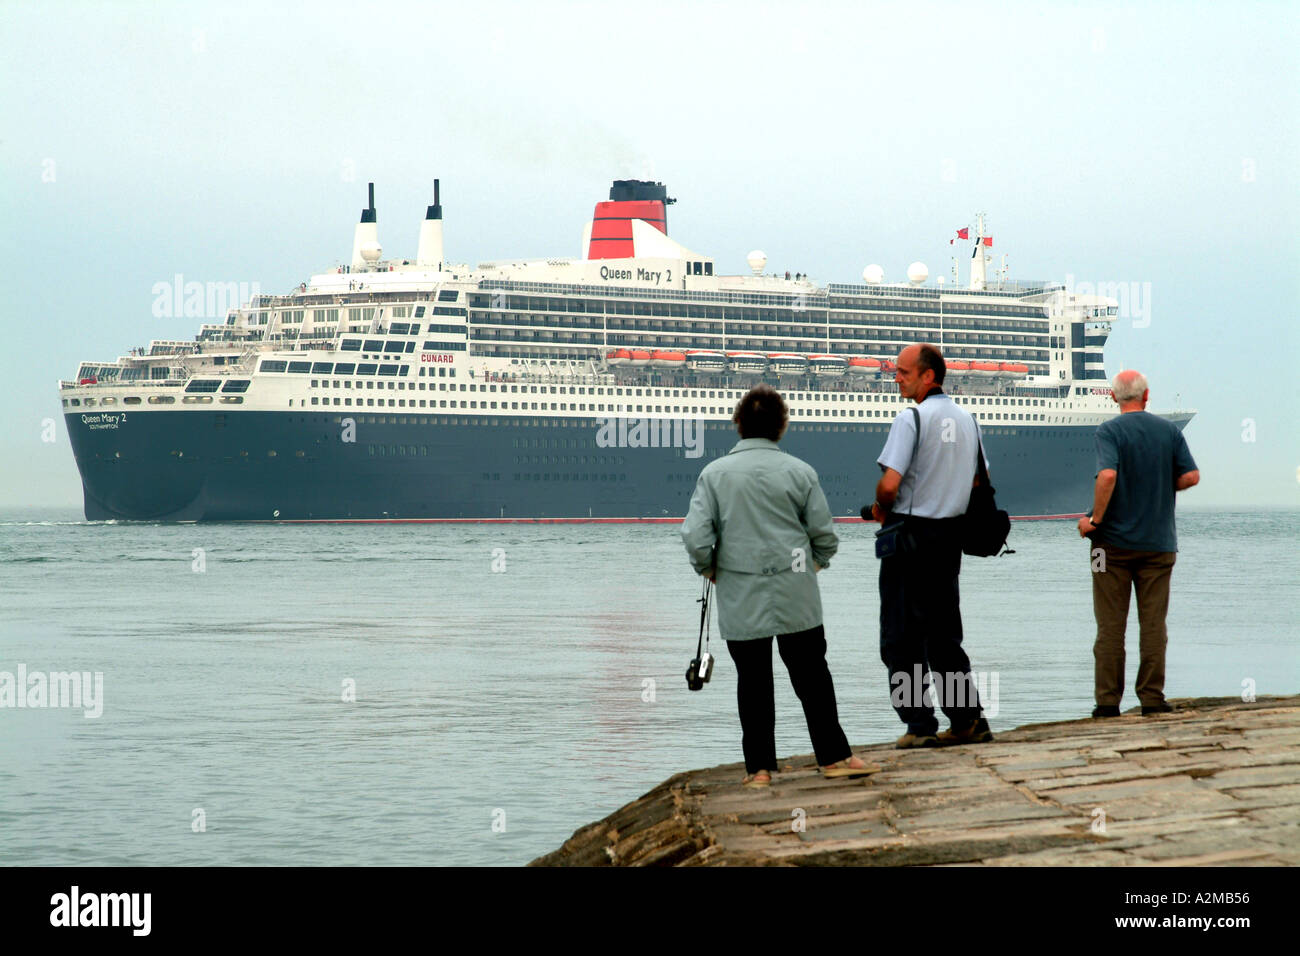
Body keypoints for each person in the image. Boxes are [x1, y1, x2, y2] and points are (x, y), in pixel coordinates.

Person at [681, 385, 876, 787]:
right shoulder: (800, 472)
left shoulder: (713, 475)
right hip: (796, 592)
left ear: (737, 424)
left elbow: (696, 537)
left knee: (752, 681)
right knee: (812, 676)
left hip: (740, 593)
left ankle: (760, 770)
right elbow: (825, 535)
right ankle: (834, 757)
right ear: (781, 426)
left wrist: (711, 569)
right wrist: (813, 566)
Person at [870, 343, 993, 748]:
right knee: (943, 635)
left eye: (904, 372)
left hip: (909, 538)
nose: (897, 377)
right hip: (949, 539)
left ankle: (919, 724)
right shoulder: (968, 420)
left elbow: (890, 485)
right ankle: (967, 719)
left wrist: (879, 508)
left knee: (900, 638)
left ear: (928, 376)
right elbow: (979, 482)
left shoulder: (912, 419)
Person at [1078, 369, 1199, 717]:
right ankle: (1151, 698)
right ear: (1147, 397)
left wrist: (1094, 522)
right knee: (1153, 625)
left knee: (1110, 627)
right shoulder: (1168, 431)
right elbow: (1191, 475)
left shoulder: (1109, 431)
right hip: (1159, 545)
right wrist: (1162, 485)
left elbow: (1108, 475)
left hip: (1108, 548)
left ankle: (1107, 703)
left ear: (1114, 397)